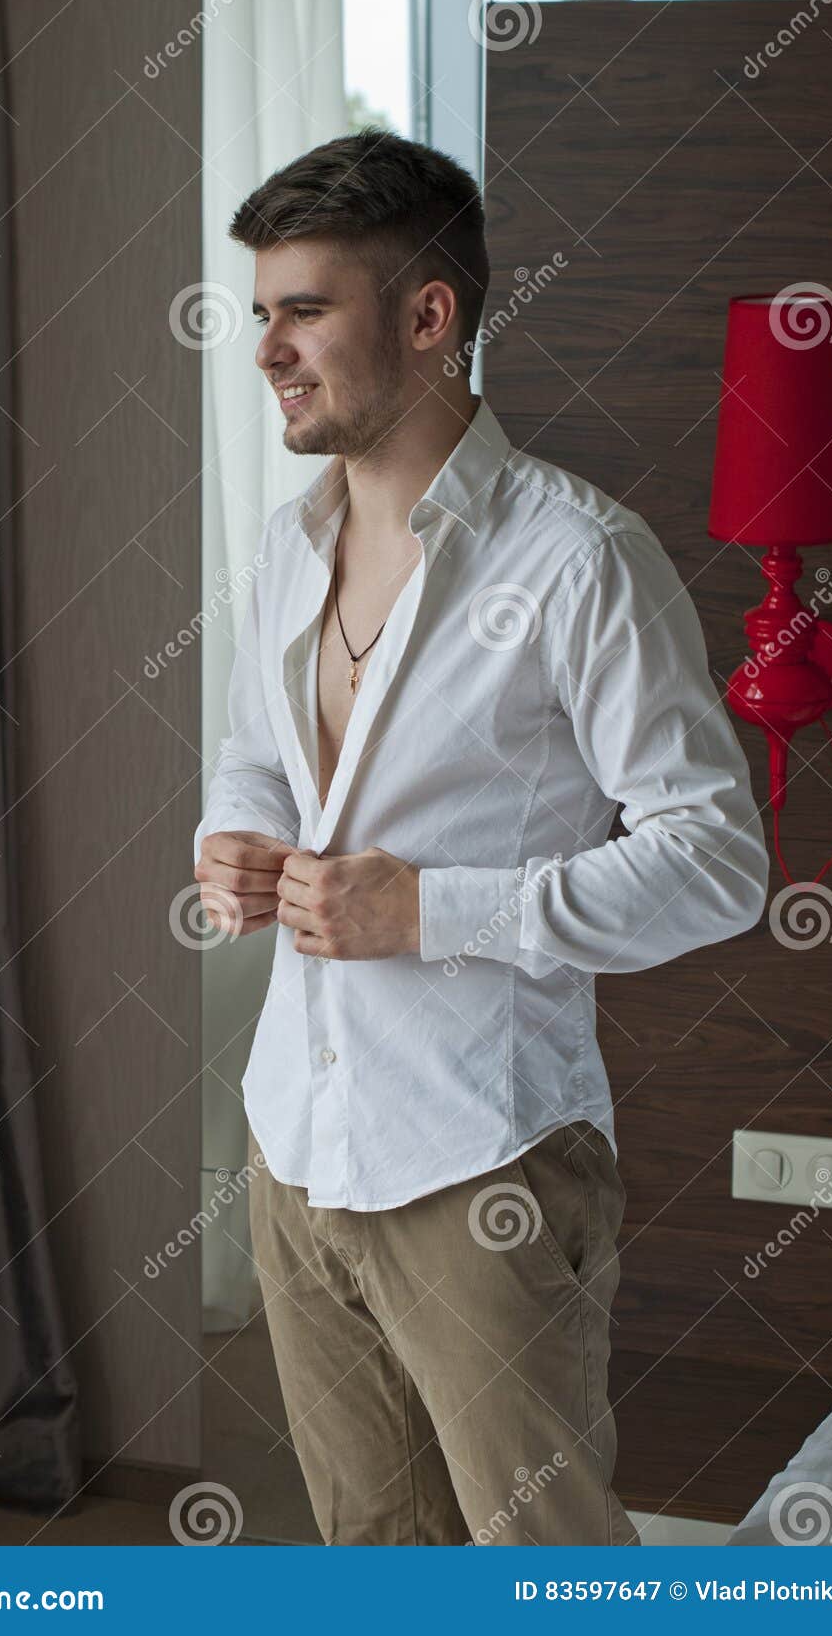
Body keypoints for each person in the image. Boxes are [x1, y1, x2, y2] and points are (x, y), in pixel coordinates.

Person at [192, 130, 769, 1546]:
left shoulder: (579, 560)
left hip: (483, 1160)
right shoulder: (286, 543)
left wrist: (429, 909)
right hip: (297, 1144)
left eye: (305, 308)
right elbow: (255, 759)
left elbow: (718, 861)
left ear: (430, 317)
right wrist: (238, 838)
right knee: (374, 1553)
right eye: (262, 311)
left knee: (543, 1558)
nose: (268, 345)